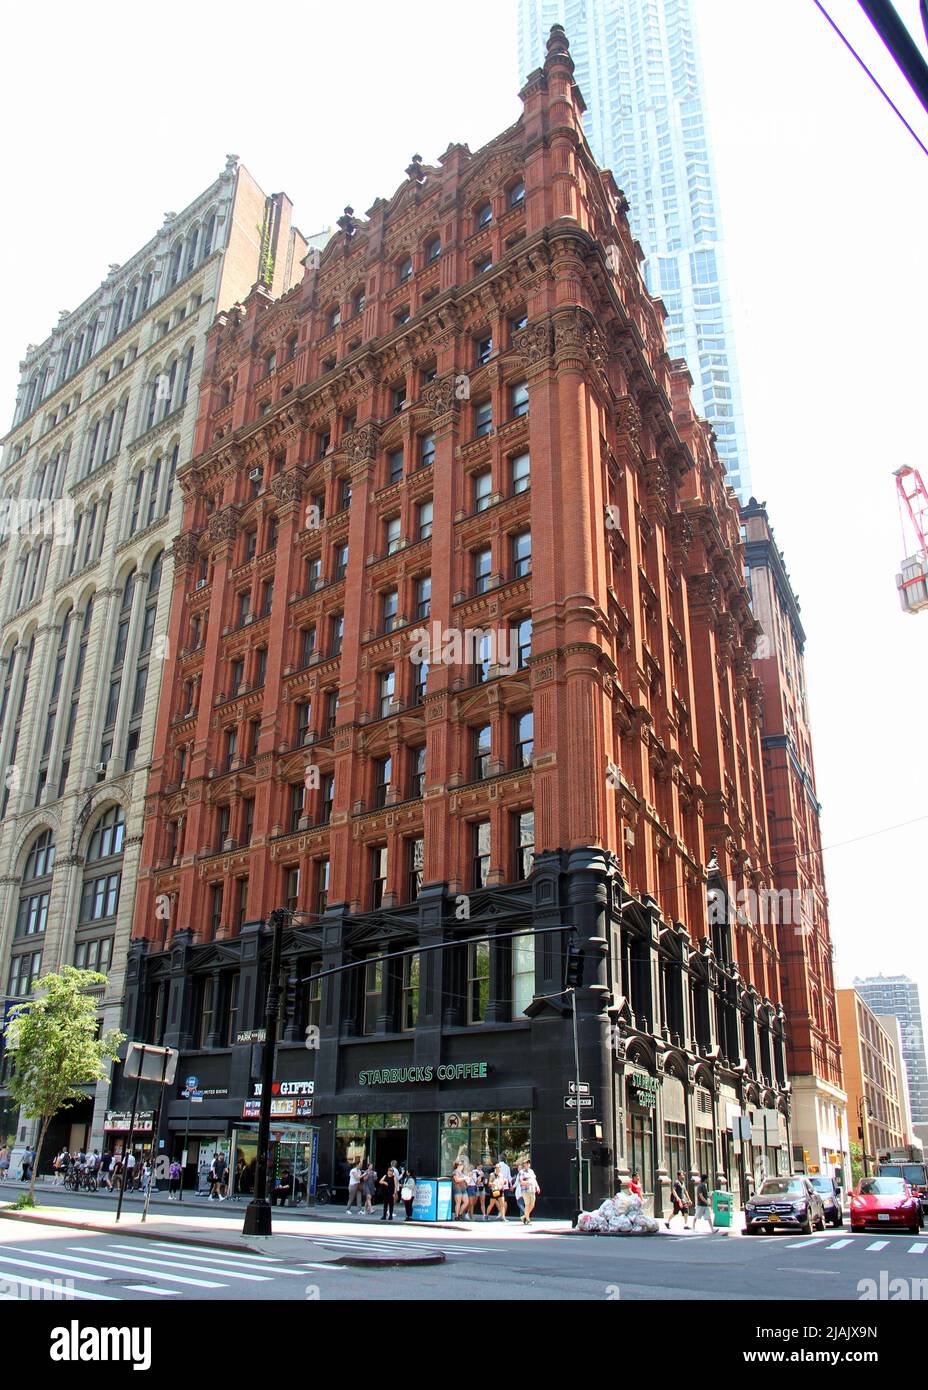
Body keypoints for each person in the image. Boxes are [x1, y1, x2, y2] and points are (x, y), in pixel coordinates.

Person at [519, 1160, 541, 1225]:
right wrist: (527, 1182)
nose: (528, 1164)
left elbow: (534, 1180)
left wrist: (537, 1186)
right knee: (527, 1204)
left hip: (532, 1190)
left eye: (529, 1163)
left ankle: (524, 1217)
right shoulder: (521, 1172)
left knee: (532, 1204)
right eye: (526, 1163)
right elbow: (520, 1182)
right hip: (525, 1190)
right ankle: (527, 1220)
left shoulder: (531, 1171)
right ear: (524, 1164)